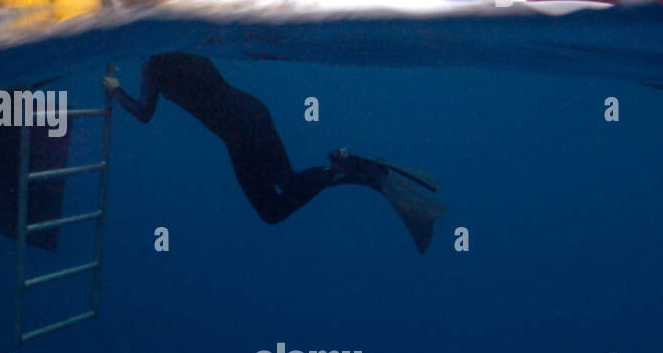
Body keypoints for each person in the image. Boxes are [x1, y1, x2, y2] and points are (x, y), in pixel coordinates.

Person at [103, 52, 447, 252]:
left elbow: (144, 114)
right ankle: (351, 170)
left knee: (272, 211)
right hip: (254, 112)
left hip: (238, 134)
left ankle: (346, 172)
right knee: (289, 182)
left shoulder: (153, 66)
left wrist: (116, 91)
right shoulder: (191, 47)